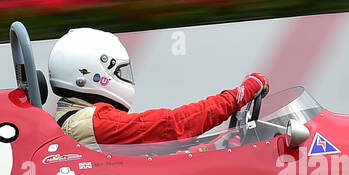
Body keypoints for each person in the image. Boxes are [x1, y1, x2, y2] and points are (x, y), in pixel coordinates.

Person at [47, 27, 268, 146]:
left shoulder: (74, 118)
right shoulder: (90, 123)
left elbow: (157, 145)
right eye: (119, 71)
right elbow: (173, 126)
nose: (124, 78)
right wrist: (237, 97)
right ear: (92, 73)